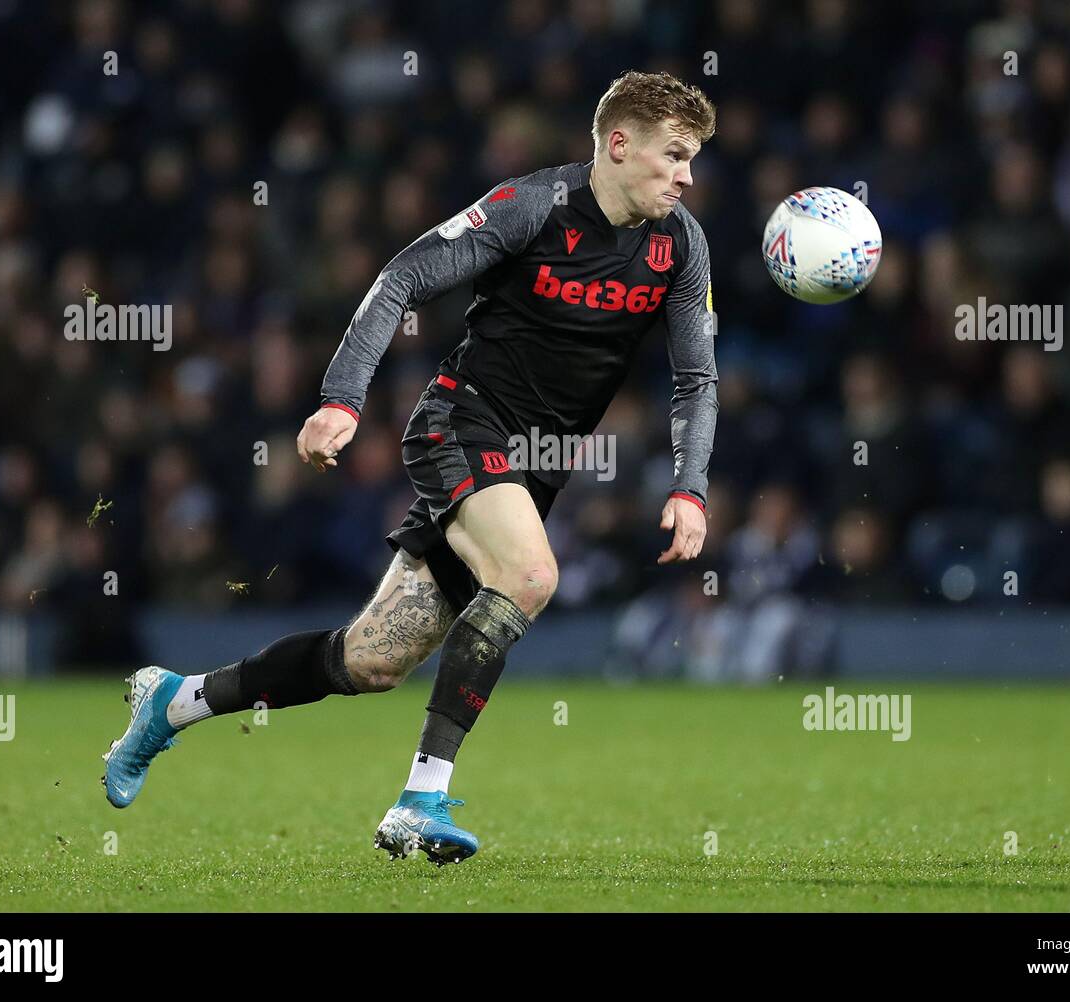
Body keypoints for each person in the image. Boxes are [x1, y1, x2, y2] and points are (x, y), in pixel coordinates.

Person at [102, 71, 720, 865]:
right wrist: (341, 400)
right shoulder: (532, 206)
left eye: (693, 159)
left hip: (532, 468)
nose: (687, 175)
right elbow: (399, 279)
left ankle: (172, 703)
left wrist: (690, 488)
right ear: (618, 144)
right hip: (460, 424)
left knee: (369, 660)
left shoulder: (682, 246)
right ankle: (419, 800)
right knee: (530, 575)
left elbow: (697, 379)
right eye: (675, 155)